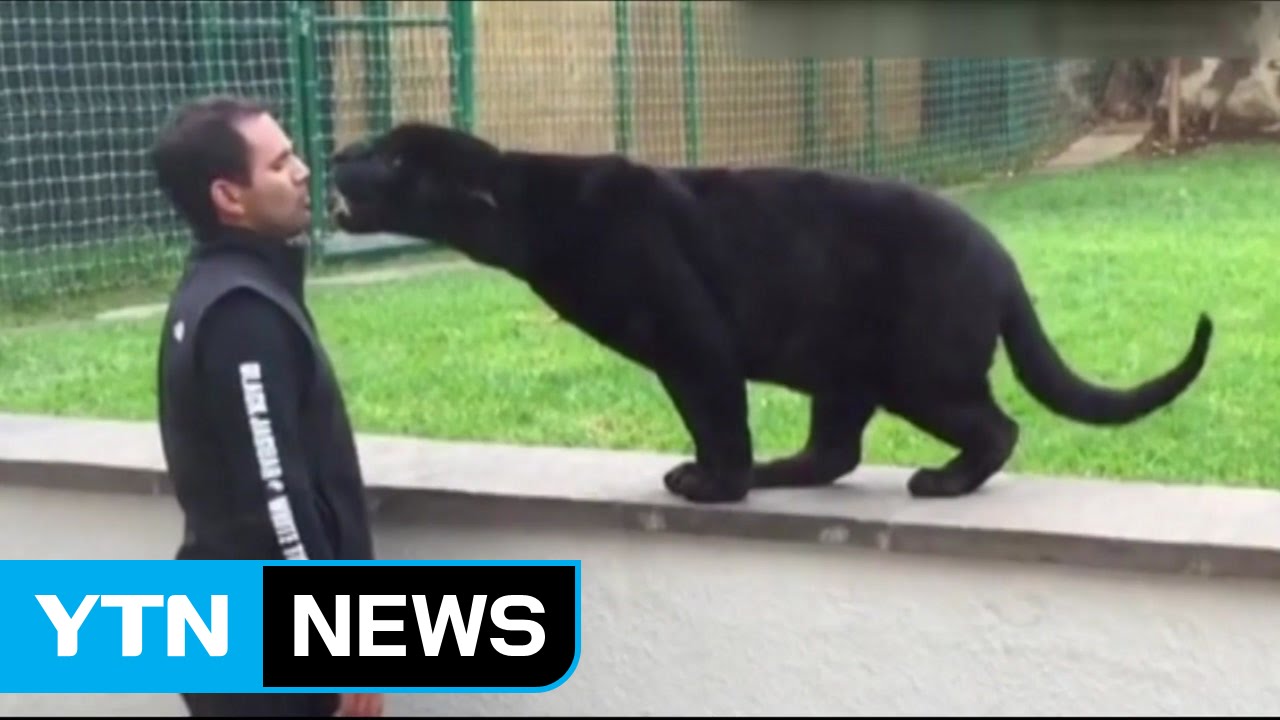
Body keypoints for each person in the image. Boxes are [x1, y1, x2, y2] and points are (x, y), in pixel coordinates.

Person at [149, 94, 384, 718]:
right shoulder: (241, 316)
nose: (304, 171)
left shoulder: (224, 292)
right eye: (280, 165)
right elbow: (273, 495)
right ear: (229, 197)